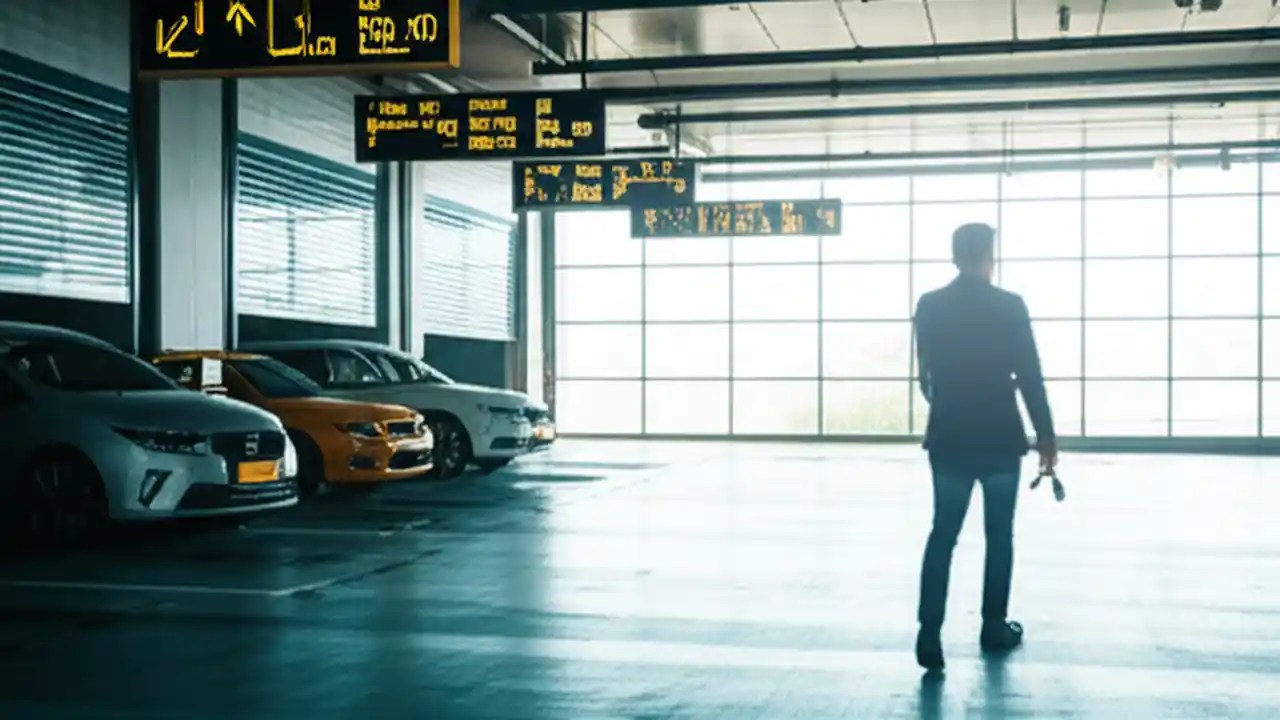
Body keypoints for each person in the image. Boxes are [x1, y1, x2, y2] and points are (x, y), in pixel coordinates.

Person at [912, 222, 1057, 671]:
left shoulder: (930, 306)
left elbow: (927, 380)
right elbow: (1030, 377)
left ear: (955, 256)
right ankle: (993, 626)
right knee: (999, 535)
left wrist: (951, 402)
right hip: (998, 436)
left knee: (943, 535)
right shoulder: (1009, 307)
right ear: (989, 257)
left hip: (951, 436)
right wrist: (1046, 436)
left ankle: (930, 634)